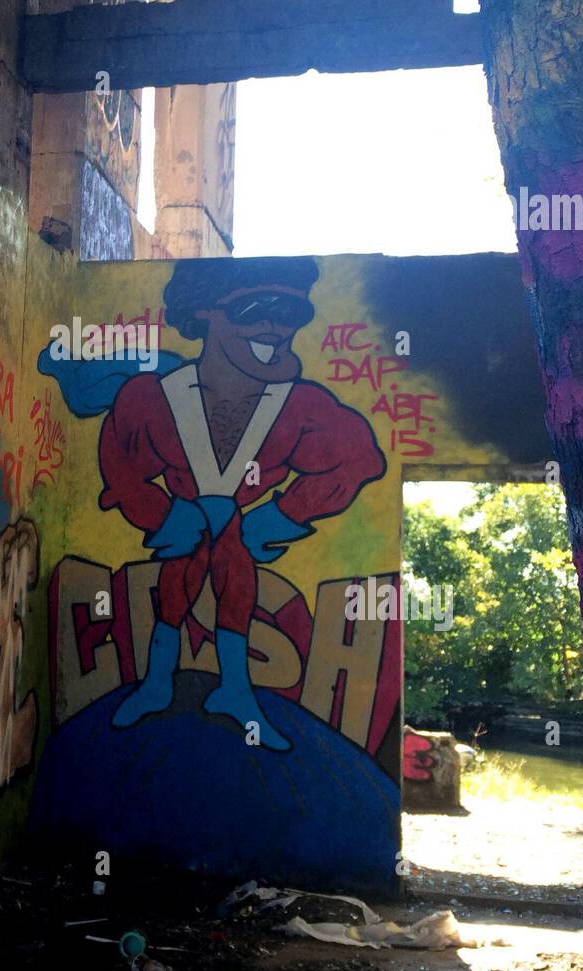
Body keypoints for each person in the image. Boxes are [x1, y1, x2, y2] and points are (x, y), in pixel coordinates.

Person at [97, 257, 385, 749]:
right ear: (205, 314)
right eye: (256, 309)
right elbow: (120, 468)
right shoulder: (152, 398)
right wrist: (162, 514)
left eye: (291, 313)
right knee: (180, 580)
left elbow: (361, 459)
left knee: (233, 577)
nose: (274, 327)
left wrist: (286, 514)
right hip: (190, 528)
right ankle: (160, 683)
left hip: (237, 534)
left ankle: (231, 688)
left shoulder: (301, 408)